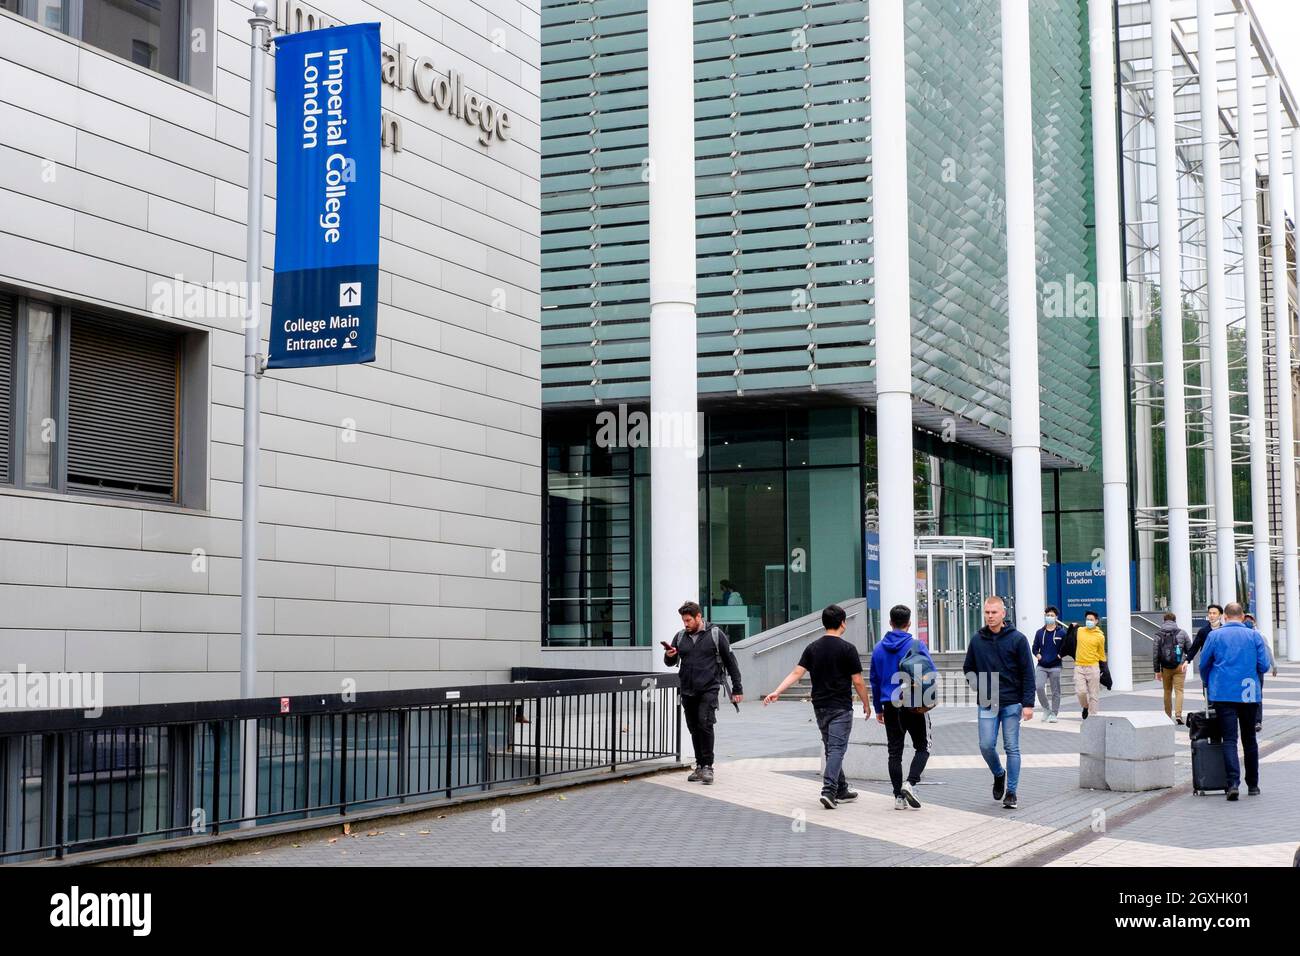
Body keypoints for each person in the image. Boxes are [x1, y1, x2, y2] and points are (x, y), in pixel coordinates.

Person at [764, 604, 870, 809]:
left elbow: (796, 673)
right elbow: (857, 681)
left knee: (832, 748)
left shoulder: (813, 647)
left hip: (820, 706)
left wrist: (777, 691)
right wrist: (866, 703)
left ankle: (841, 789)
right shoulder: (848, 649)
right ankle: (829, 791)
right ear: (842, 623)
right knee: (837, 749)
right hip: (840, 706)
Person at [962, 596, 1034, 810]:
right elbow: (968, 668)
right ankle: (998, 773)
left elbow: (1028, 673)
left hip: (1012, 701)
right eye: (987, 612)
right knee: (986, 745)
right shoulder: (977, 640)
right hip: (987, 700)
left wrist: (1028, 703)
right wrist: (976, 684)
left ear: (1003, 613)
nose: (990, 616)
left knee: (1012, 747)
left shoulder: (1018, 639)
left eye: (994, 612)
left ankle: (1011, 792)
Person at [663, 600, 743, 785]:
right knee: (693, 727)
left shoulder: (715, 634)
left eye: (689, 620)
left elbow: (731, 661)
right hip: (687, 689)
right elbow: (670, 662)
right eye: (684, 620)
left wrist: (737, 688)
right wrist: (670, 655)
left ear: (699, 617)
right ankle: (699, 766)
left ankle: (708, 766)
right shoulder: (680, 636)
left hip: (709, 687)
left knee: (705, 723)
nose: (686, 624)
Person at [1198, 602, 1272, 800]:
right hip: (1248, 693)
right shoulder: (1254, 635)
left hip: (1223, 692)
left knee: (1230, 739)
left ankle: (1232, 783)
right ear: (1241, 617)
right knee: (1249, 739)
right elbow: (1264, 665)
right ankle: (1253, 784)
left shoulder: (1215, 635)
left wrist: (1208, 681)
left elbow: (1204, 663)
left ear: (1225, 617)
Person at [869, 604, 935, 810]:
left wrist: (878, 708)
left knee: (894, 752)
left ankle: (898, 797)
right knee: (923, 747)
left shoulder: (879, 648)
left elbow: (874, 680)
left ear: (890, 623)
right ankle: (911, 782)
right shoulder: (916, 645)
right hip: (913, 703)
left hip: (889, 704)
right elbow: (930, 672)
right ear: (909, 624)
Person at [1151, 612, 1192, 724]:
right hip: (1179, 666)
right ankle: (1178, 715)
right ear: (1175, 620)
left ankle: (1167, 716)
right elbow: (1190, 649)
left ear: (1164, 621)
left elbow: (1155, 654)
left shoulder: (1158, 634)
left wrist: (1157, 670)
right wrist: (1185, 660)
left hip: (1165, 667)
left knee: (1167, 691)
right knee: (1179, 691)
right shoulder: (1182, 633)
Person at [1031, 606, 1067, 722]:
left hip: (1055, 666)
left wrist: (1059, 655)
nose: (1049, 617)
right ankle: (1046, 709)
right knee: (1039, 687)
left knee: (1055, 691)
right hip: (1041, 666)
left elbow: (1066, 647)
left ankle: (1054, 714)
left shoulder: (1061, 632)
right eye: (1047, 615)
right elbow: (1034, 648)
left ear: (1056, 617)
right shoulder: (1040, 632)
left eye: (1052, 615)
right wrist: (1038, 655)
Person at [1073, 609, 1107, 718]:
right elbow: (1070, 635)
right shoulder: (1080, 631)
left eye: (1091, 620)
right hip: (1079, 666)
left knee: (1094, 694)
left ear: (1096, 621)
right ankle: (1085, 706)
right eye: (1087, 619)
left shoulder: (1100, 636)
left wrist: (1105, 668)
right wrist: (1072, 626)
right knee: (1081, 692)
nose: (1089, 621)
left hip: (1093, 666)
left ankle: (1093, 717)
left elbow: (1101, 653)